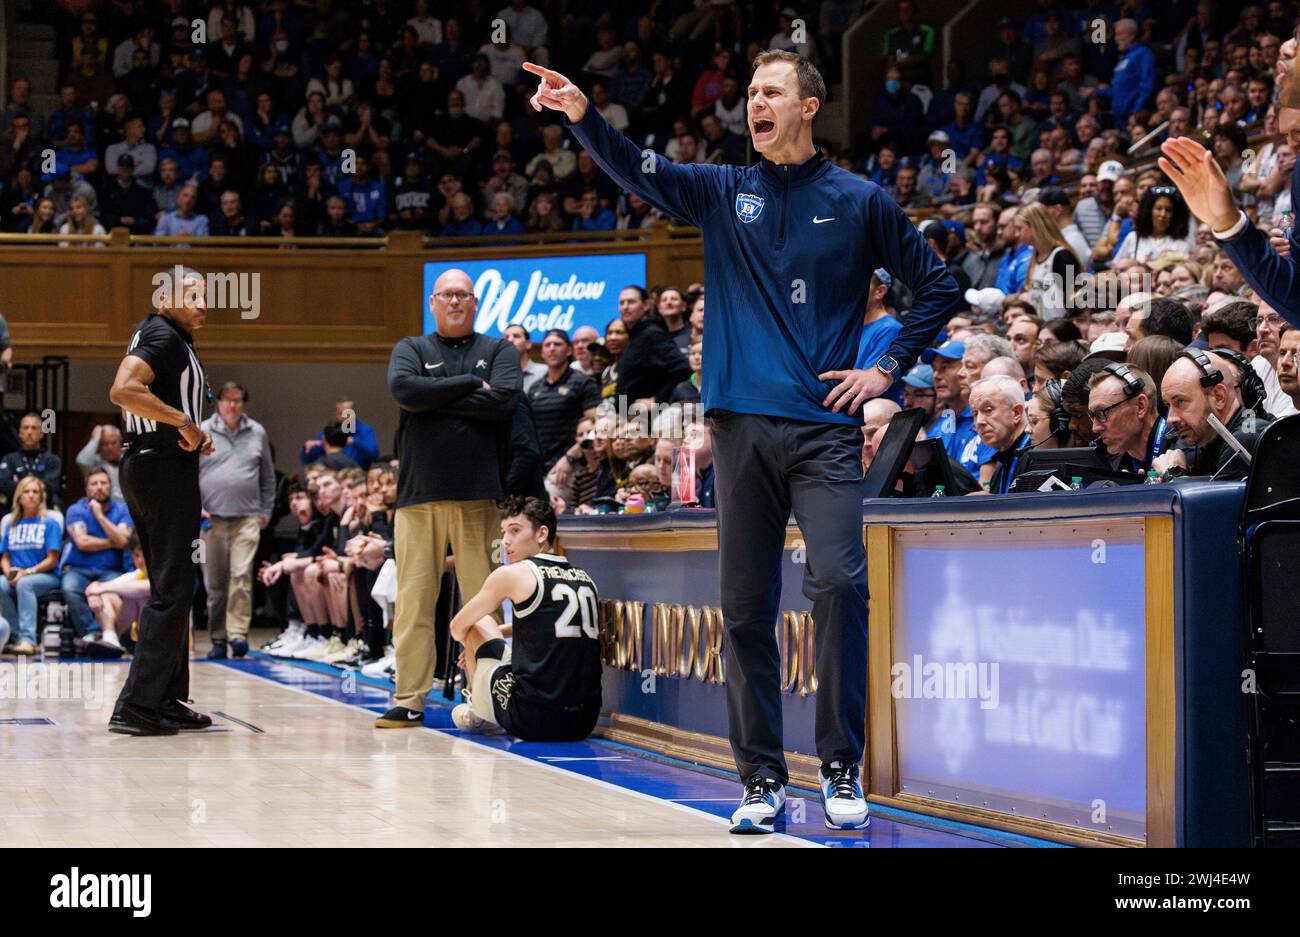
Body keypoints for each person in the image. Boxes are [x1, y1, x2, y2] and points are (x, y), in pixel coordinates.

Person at [525, 49, 957, 834]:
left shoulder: (859, 201)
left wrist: (886, 371)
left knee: (839, 586)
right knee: (745, 610)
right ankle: (760, 779)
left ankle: (838, 765)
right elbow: (637, 169)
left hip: (825, 431)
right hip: (737, 429)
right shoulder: (724, 191)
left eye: (769, 93)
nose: (752, 105)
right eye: (749, 94)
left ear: (809, 105)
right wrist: (583, 115)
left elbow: (938, 287)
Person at [376, 269, 521, 728]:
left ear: (475, 303)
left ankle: (486, 699)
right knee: (415, 599)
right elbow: (404, 391)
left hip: (480, 495)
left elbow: (504, 401)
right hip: (418, 497)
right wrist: (466, 387)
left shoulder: (499, 350)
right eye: (447, 295)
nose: (455, 301)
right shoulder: (412, 349)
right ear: (433, 302)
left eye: (463, 295)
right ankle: (409, 699)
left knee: (484, 602)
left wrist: (432, 396)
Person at [107, 266, 215, 736]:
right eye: (195, 294)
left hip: (152, 465)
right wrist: (185, 424)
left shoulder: (172, 337)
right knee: (173, 590)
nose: (205, 304)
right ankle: (137, 705)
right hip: (160, 467)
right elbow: (123, 390)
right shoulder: (161, 333)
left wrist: (189, 428)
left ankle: (167, 698)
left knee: (172, 586)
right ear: (167, 296)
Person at [448, 496, 602, 740]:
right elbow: (549, 626)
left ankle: (480, 713)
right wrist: (504, 632)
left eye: (515, 531)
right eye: (504, 532)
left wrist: (473, 648)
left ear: (542, 533)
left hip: (533, 719)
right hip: (584, 721)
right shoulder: (584, 577)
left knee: (479, 623)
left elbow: (457, 627)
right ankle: (487, 699)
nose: (506, 541)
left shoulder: (511, 574)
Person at [198, 380, 274, 659]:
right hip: (211, 520)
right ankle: (217, 637)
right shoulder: (203, 430)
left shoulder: (257, 432)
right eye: (227, 400)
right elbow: (188, 473)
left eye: (238, 400)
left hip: (247, 518)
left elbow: (267, 475)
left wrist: (265, 511)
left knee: (241, 576)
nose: (232, 405)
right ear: (218, 402)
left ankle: (238, 634)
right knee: (215, 584)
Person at [1153, 350, 1275, 481]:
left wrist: (1172, 475)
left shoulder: (1246, 437)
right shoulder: (1205, 443)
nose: (1170, 418)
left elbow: (1216, 502)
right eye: (1168, 405)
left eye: (1180, 402)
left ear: (1219, 397)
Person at [60, 467, 133, 645]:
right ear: (87, 489)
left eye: (103, 483)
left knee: (112, 591)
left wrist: (100, 516)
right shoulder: (76, 510)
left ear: (110, 486)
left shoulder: (123, 510)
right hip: (78, 570)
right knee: (69, 587)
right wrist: (113, 540)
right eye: (94, 484)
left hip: (111, 570)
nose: (99, 487)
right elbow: (82, 542)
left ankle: (114, 636)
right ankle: (92, 632)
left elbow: (124, 541)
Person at [0, 476, 63, 655]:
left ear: (42, 497)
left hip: (46, 575)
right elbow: (4, 557)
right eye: (26, 491)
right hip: (17, 576)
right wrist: (9, 573)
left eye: (35, 492)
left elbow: (52, 559)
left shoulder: (50, 523)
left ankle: (28, 640)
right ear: (19, 497)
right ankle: (15, 636)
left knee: (24, 584)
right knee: (1, 583)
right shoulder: (11, 524)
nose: (31, 495)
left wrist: (27, 572)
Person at [1087, 364, 1168, 475]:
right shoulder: (1110, 467)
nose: (1095, 428)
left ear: (1140, 406)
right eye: (1093, 415)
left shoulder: (1185, 456)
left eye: (1101, 413)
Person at [969, 376, 1031, 493]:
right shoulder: (1000, 464)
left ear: (1016, 413)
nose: (979, 421)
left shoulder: (1034, 455)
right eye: (975, 413)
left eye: (988, 410)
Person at [0, 413, 63, 510]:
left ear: (41, 433)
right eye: (25, 428)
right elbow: (4, 486)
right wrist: (39, 484)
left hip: (45, 508)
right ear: (20, 433)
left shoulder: (52, 460)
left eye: (34, 428)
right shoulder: (9, 459)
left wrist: (18, 484)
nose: (29, 432)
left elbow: (51, 488)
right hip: (14, 508)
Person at [75, 424, 123, 498]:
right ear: (99, 445)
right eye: (105, 444)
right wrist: (95, 439)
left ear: (120, 442)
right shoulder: (95, 463)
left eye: (113, 443)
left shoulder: (127, 460)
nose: (110, 447)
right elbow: (82, 461)